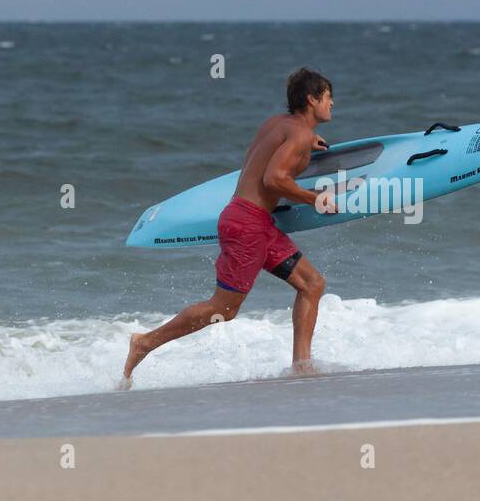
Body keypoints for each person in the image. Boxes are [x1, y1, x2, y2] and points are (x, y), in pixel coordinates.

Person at [121, 68, 336, 386]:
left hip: (256, 221)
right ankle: (145, 342)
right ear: (312, 98)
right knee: (224, 307)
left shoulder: (279, 125)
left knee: (312, 284)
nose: (333, 104)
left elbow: (269, 155)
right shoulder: (298, 135)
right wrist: (313, 198)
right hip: (247, 225)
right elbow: (274, 178)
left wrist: (305, 144)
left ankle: (302, 365)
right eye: (329, 97)